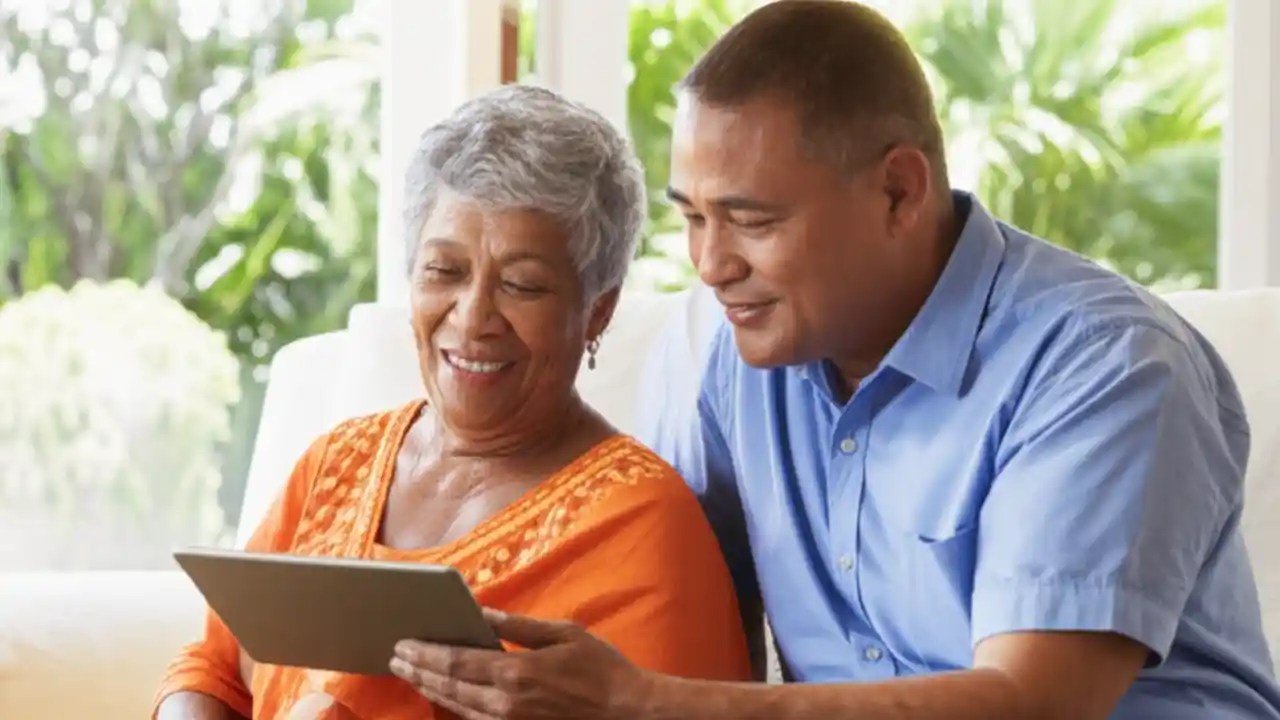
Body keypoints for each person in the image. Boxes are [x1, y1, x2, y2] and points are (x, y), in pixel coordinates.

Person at [387, 2, 1280, 719]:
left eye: (753, 220)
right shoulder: (721, 355)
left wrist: (638, 701)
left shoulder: (1104, 366)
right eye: (693, 217)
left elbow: (1034, 701)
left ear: (898, 190)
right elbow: (708, 637)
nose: (710, 262)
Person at [152, 85, 751, 720]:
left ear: (596, 311)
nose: (472, 321)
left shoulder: (642, 527)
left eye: (521, 285)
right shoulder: (337, 462)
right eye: (443, 271)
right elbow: (215, 664)